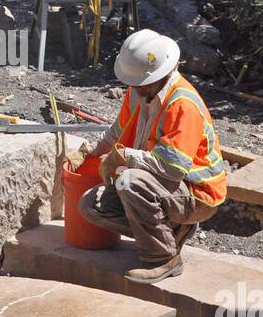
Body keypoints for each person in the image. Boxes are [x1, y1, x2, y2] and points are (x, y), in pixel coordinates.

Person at [78, 29, 227, 283]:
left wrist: (122, 157)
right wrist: (91, 152)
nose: (134, 88)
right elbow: (119, 130)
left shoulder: (183, 104)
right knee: (91, 205)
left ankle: (164, 258)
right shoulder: (139, 92)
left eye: (139, 83)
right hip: (161, 186)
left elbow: (171, 168)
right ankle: (173, 229)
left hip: (197, 193)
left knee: (129, 182)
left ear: (159, 74)